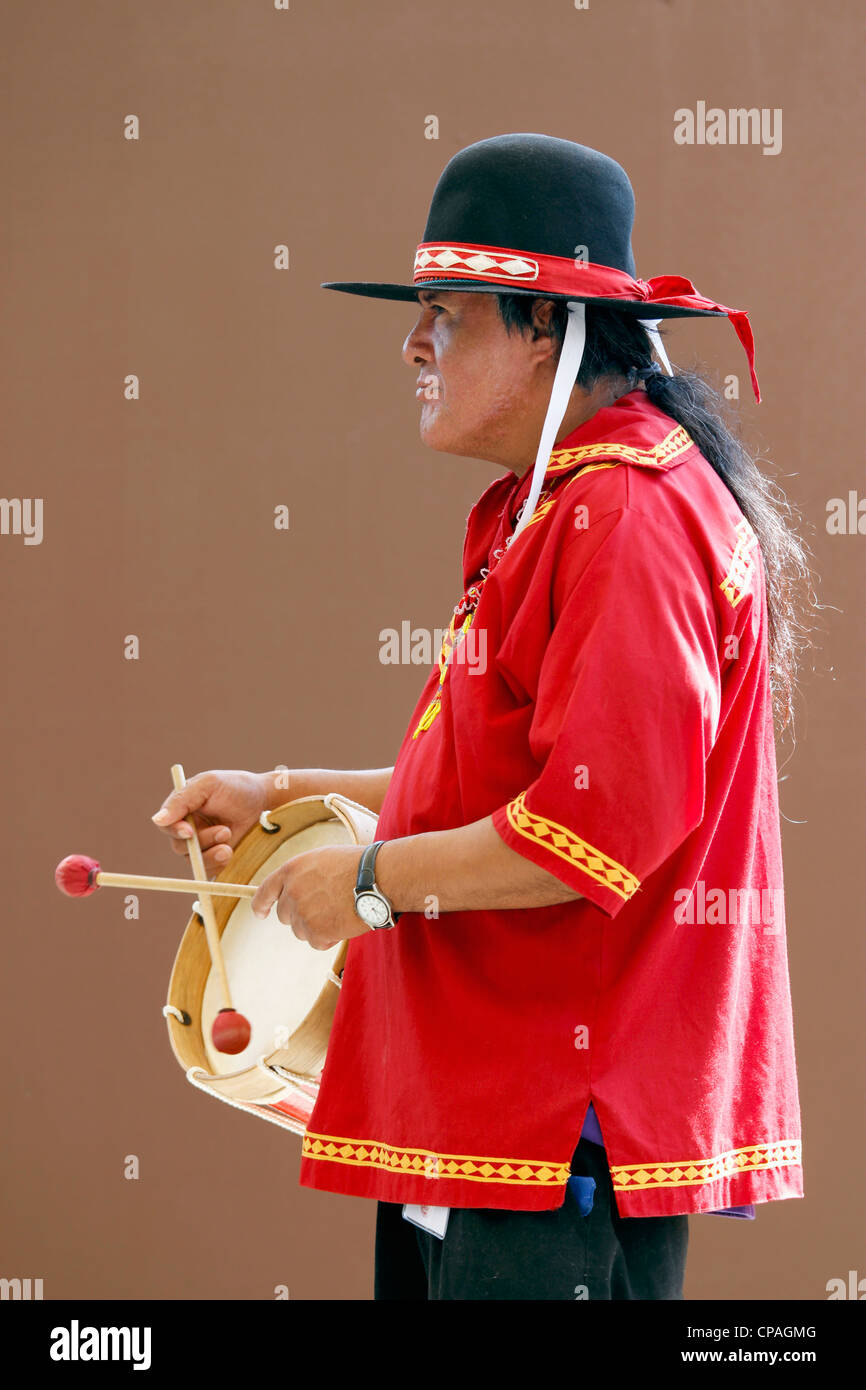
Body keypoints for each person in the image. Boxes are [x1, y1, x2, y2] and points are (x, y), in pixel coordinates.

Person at [152, 135, 811, 1300]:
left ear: (547, 332)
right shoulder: (566, 504)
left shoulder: (628, 516)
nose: (412, 343)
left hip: (559, 1138)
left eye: (446, 315)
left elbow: (598, 830)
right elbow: (508, 781)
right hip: (489, 1127)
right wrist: (286, 794)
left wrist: (363, 882)